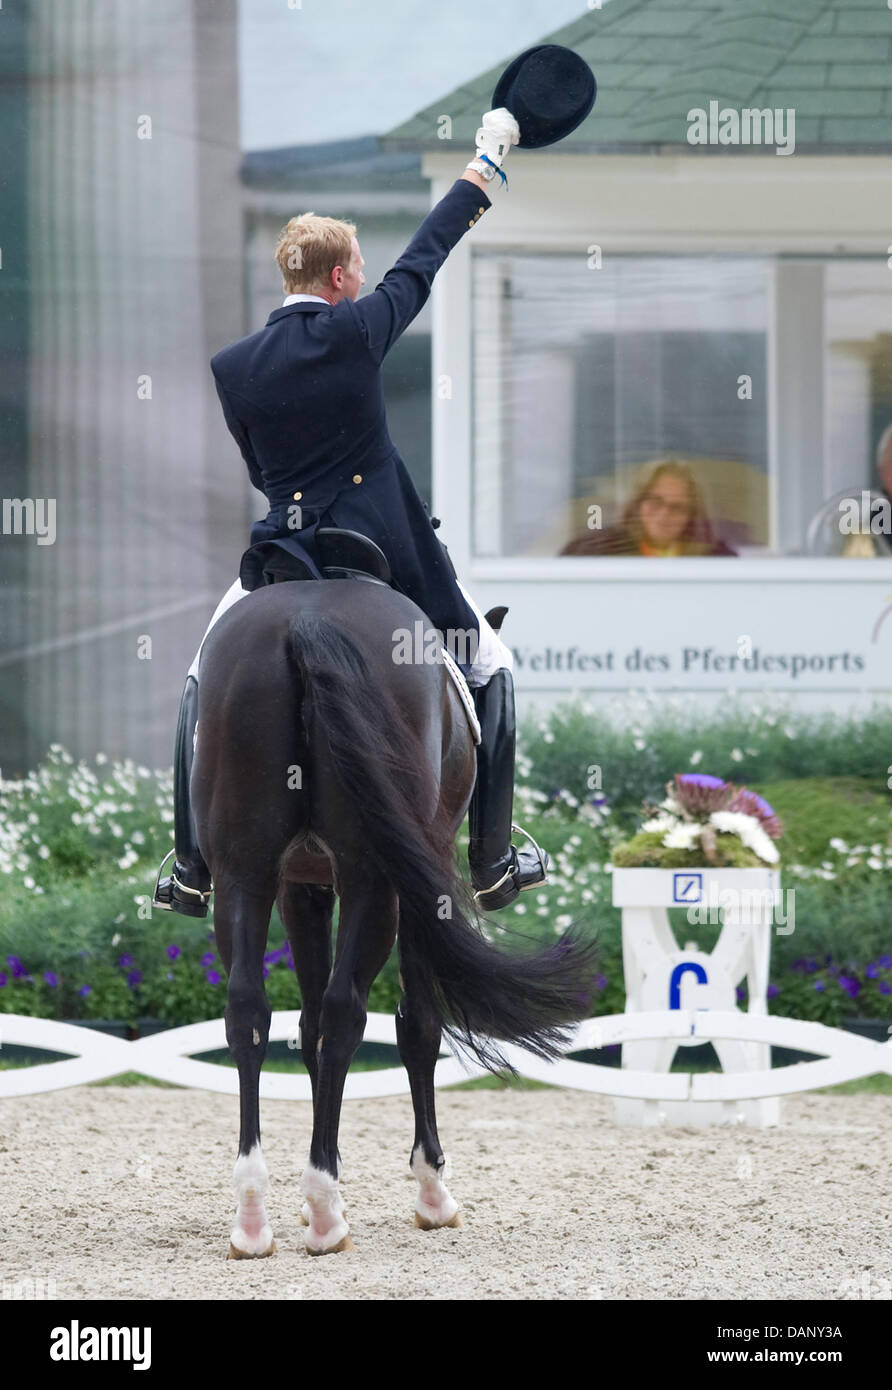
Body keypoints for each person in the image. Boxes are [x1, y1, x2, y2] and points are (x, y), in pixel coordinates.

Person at [152, 107, 549, 919]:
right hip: (383, 551)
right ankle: (496, 856)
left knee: (200, 681)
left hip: (279, 557)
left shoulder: (234, 367)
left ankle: (190, 865)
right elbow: (428, 253)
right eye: (358, 272)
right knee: (492, 665)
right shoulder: (360, 329)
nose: (364, 282)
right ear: (339, 280)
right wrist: (487, 165)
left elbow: (262, 471)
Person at [561, 459, 736, 557]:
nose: (664, 514)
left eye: (677, 507)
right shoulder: (601, 549)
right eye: (655, 502)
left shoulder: (715, 558)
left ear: (692, 514)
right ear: (638, 503)